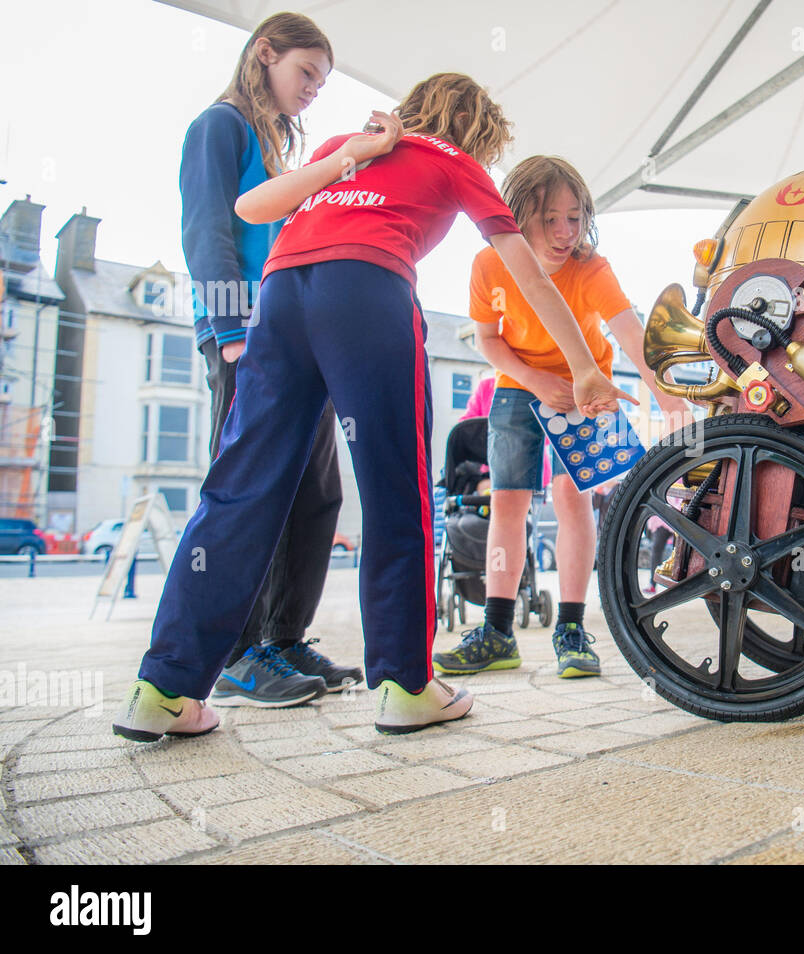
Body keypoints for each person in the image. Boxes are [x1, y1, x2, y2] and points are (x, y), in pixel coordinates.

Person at [113, 73, 631, 742]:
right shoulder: (453, 160)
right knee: (395, 490)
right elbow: (526, 270)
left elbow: (251, 208)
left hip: (281, 296)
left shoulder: (347, 144)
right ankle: (405, 686)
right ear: (474, 132)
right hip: (367, 290)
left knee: (237, 487)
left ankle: (163, 688)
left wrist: (348, 157)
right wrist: (586, 367)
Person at [434, 156, 692, 679]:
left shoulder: (592, 268)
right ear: (518, 216)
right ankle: (498, 630)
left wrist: (669, 397)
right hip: (517, 387)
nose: (564, 232)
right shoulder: (489, 264)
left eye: (574, 217)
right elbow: (487, 339)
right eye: (550, 218)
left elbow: (629, 332)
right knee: (506, 504)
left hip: (589, 389)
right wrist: (538, 382)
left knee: (573, 500)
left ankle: (571, 629)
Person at [180, 12, 357, 708]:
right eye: (305, 72)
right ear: (265, 54)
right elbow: (206, 227)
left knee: (316, 493)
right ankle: (236, 652)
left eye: (321, 79)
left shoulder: (274, 143)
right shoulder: (219, 126)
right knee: (250, 491)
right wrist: (228, 328)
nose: (313, 88)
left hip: (291, 337)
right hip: (242, 335)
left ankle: (284, 639)